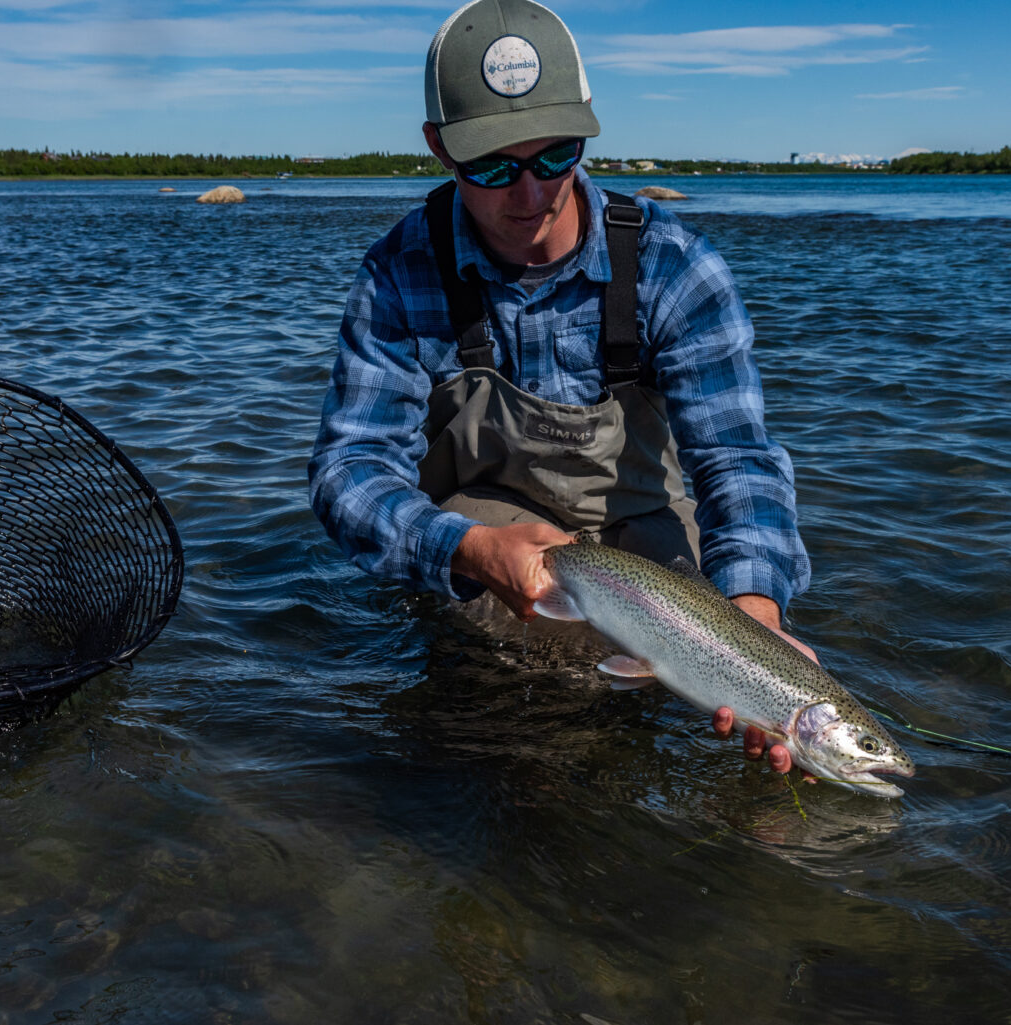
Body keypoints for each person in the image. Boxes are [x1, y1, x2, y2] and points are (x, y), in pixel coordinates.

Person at [308, 0, 811, 772]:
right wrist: (469, 547)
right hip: (482, 536)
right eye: (493, 166)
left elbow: (737, 461)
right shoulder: (398, 274)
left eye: (555, 155)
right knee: (525, 741)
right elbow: (349, 473)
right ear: (439, 149)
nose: (532, 193)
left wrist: (753, 620)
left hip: (640, 530)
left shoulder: (677, 268)